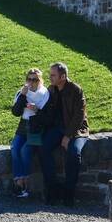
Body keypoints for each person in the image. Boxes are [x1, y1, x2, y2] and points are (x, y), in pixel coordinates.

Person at [32, 61, 89, 206]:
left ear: (62, 76)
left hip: (76, 130)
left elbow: (79, 115)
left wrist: (68, 135)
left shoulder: (76, 90)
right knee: (43, 148)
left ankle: (69, 193)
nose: (50, 77)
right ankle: (53, 189)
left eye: (53, 75)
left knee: (74, 152)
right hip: (58, 128)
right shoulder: (51, 90)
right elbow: (48, 111)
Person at [8, 68, 50, 200]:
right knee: (15, 148)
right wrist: (23, 96)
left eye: (35, 79)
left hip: (36, 127)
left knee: (25, 150)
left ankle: (26, 184)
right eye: (29, 79)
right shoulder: (22, 92)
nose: (32, 82)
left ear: (40, 80)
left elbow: (47, 116)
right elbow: (15, 112)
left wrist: (36, 109)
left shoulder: (44, 93)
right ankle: (19, 182)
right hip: (23, 125)